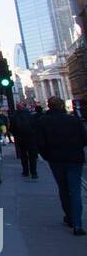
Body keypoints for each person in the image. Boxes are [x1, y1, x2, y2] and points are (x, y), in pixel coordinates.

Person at [36, 95, 87, 235]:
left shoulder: (43, 121)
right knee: (75, 191)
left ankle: (70, 217)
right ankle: (77, 224)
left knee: (63, 189)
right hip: (75, 159)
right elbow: (84, 139)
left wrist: (48, 156)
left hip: (56, 160)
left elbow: (41, 144)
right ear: (62, 106)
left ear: (49, 106)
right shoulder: (74, 120)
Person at [12, 101, 39, 179]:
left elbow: (12, 128)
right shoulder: (30, 115)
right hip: (30, 138)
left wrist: (16, 135)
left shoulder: (14, 116)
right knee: (32, 156)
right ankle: (33, 172)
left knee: (23, 155)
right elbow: (35, 127)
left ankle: (26, 171)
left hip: (20, 139)